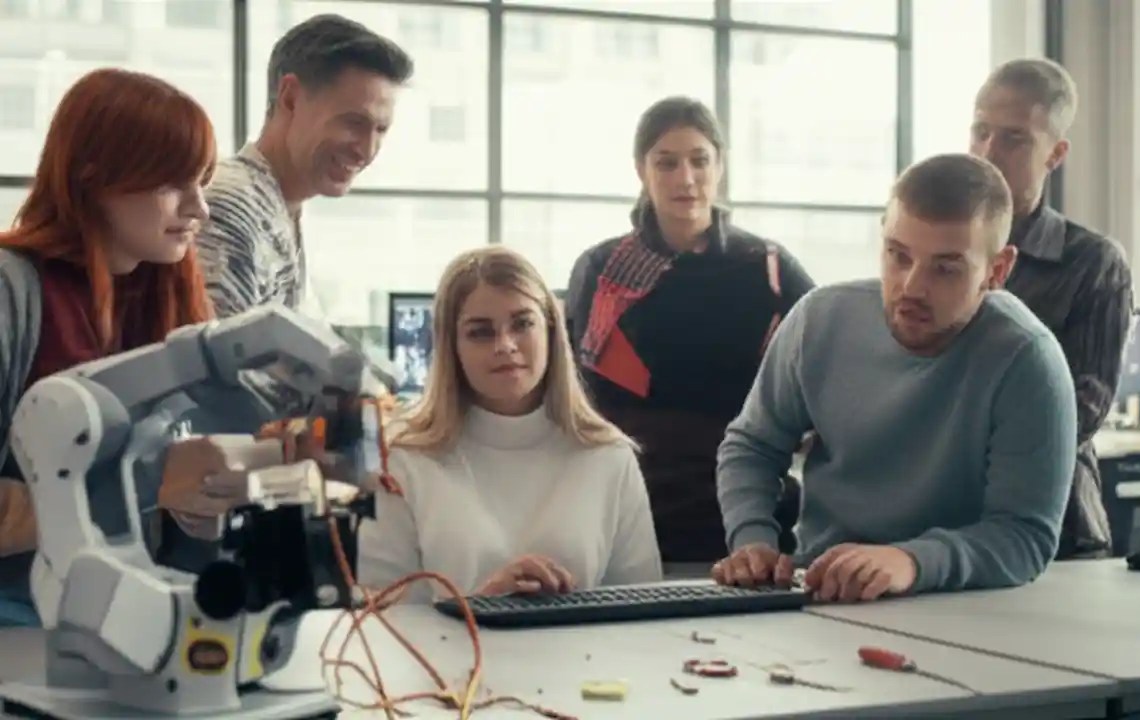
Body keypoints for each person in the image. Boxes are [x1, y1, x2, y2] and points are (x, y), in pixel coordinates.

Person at [713, 154, 1076, 603]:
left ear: (996, 271)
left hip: (962, 606)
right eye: (897, 256)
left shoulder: (1027, 359)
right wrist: (753, 542)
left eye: (945, 268)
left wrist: (911, 560)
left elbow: (1025, 536)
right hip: (822, 594)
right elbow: (752, 446)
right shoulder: (819, 319)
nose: (911, 287)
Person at [0, 69, 259, 626]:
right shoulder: (13, 291)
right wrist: (152, 482)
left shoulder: (166, 298)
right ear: (94, 180)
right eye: (173, 184)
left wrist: (203, 504)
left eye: (202, 181)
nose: (200, 209)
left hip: (132, 615)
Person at [565, 96, 814, 563]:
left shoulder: (769, 268)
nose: (686, 178)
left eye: (700, 160)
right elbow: (574, 396)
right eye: (667, 162)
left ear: (719, 166)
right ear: (642, 169)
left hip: (749, 515)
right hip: (629, 512)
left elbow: (825, 367)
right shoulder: (601, 270)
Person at [358, 247, 662, 600]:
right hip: (452, 656)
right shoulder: (403, 459)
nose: (505, 345)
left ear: (551, 331)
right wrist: (480, 607)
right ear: (450, 346)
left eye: (522, 324)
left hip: (583, 656)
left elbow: (640, 609)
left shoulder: (608, 455)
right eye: (480, 332)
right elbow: (380, 619)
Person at [970, 58, 1134, 559]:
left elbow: (1085, 405)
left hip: (1057, 531)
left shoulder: (1092, 262)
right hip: (943, 522)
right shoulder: (939, 255)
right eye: (980, 131)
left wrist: (953, 441)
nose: (988, 152)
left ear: (1055, 154)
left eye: (1014, 139)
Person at [196, 14, 413, 318]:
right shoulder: (231, 208)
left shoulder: (279, 206)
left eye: (381, 130)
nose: (367, 150)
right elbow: (214, 361)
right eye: (353, 123)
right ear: (291, 99)